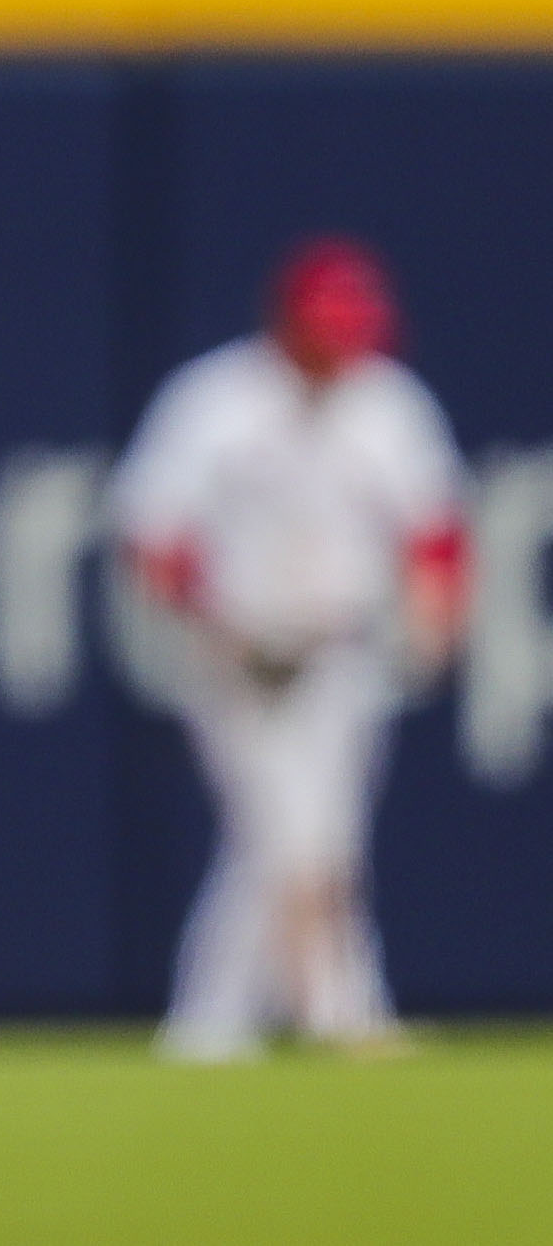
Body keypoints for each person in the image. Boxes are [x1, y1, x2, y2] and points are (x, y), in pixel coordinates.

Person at [113, 239, 470, 1062]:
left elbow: (436, 527)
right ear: (286, 323)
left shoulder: (385, 402)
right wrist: (213, 621)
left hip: (341, 651)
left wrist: (432, 614)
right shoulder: (216, 400)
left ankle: (208, 1027)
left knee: (304, 840)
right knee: (290, 836)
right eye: (325, 328)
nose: (339, 347)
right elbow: (151, 532)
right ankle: (341, 1011)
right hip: (234, 656)